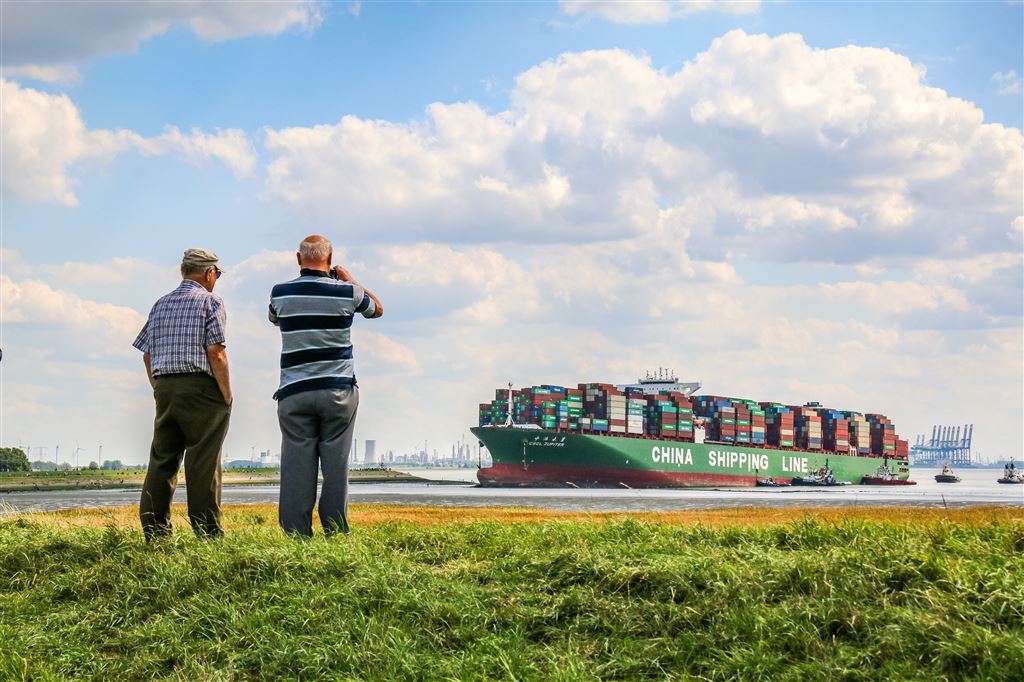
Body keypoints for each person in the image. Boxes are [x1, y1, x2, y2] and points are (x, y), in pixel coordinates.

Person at [269, 235, 383, 537]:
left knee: (296, 467)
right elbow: (377, 309)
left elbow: (275, 319)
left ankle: (296, 534)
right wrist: (350, 279)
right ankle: (335, 530)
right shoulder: (348, 292)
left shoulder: (280, 293)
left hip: (294, 391)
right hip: (338, 390)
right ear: (330, 259)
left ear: (298, 259)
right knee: (336, 467)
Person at [133, 248, 232, 540]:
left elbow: (147, 355)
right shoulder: (211, 301)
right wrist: (226, 393)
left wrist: (158, 389)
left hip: (165, 388)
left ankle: (155, 531)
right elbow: (216, 351)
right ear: (209, 273)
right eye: (218, 274)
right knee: (203, 461)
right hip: (200, 387)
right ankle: (208, 533)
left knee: (162, 459)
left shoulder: (160, 304)